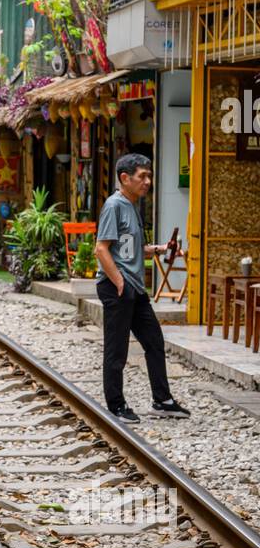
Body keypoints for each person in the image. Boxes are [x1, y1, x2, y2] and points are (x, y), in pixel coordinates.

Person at [95, 154, 189, 423]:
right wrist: (120, 281)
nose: (148, 181)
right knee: (117, 349)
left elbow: (128, 247)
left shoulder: (132, 205)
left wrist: (159, 249)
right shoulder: (114, 206)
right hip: (118, 287)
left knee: (154, 342)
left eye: (149, 176)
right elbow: (101, 249)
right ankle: (116, 405)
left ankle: (163, 400)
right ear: (124, 178)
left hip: (133, 288)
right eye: (142, 177)